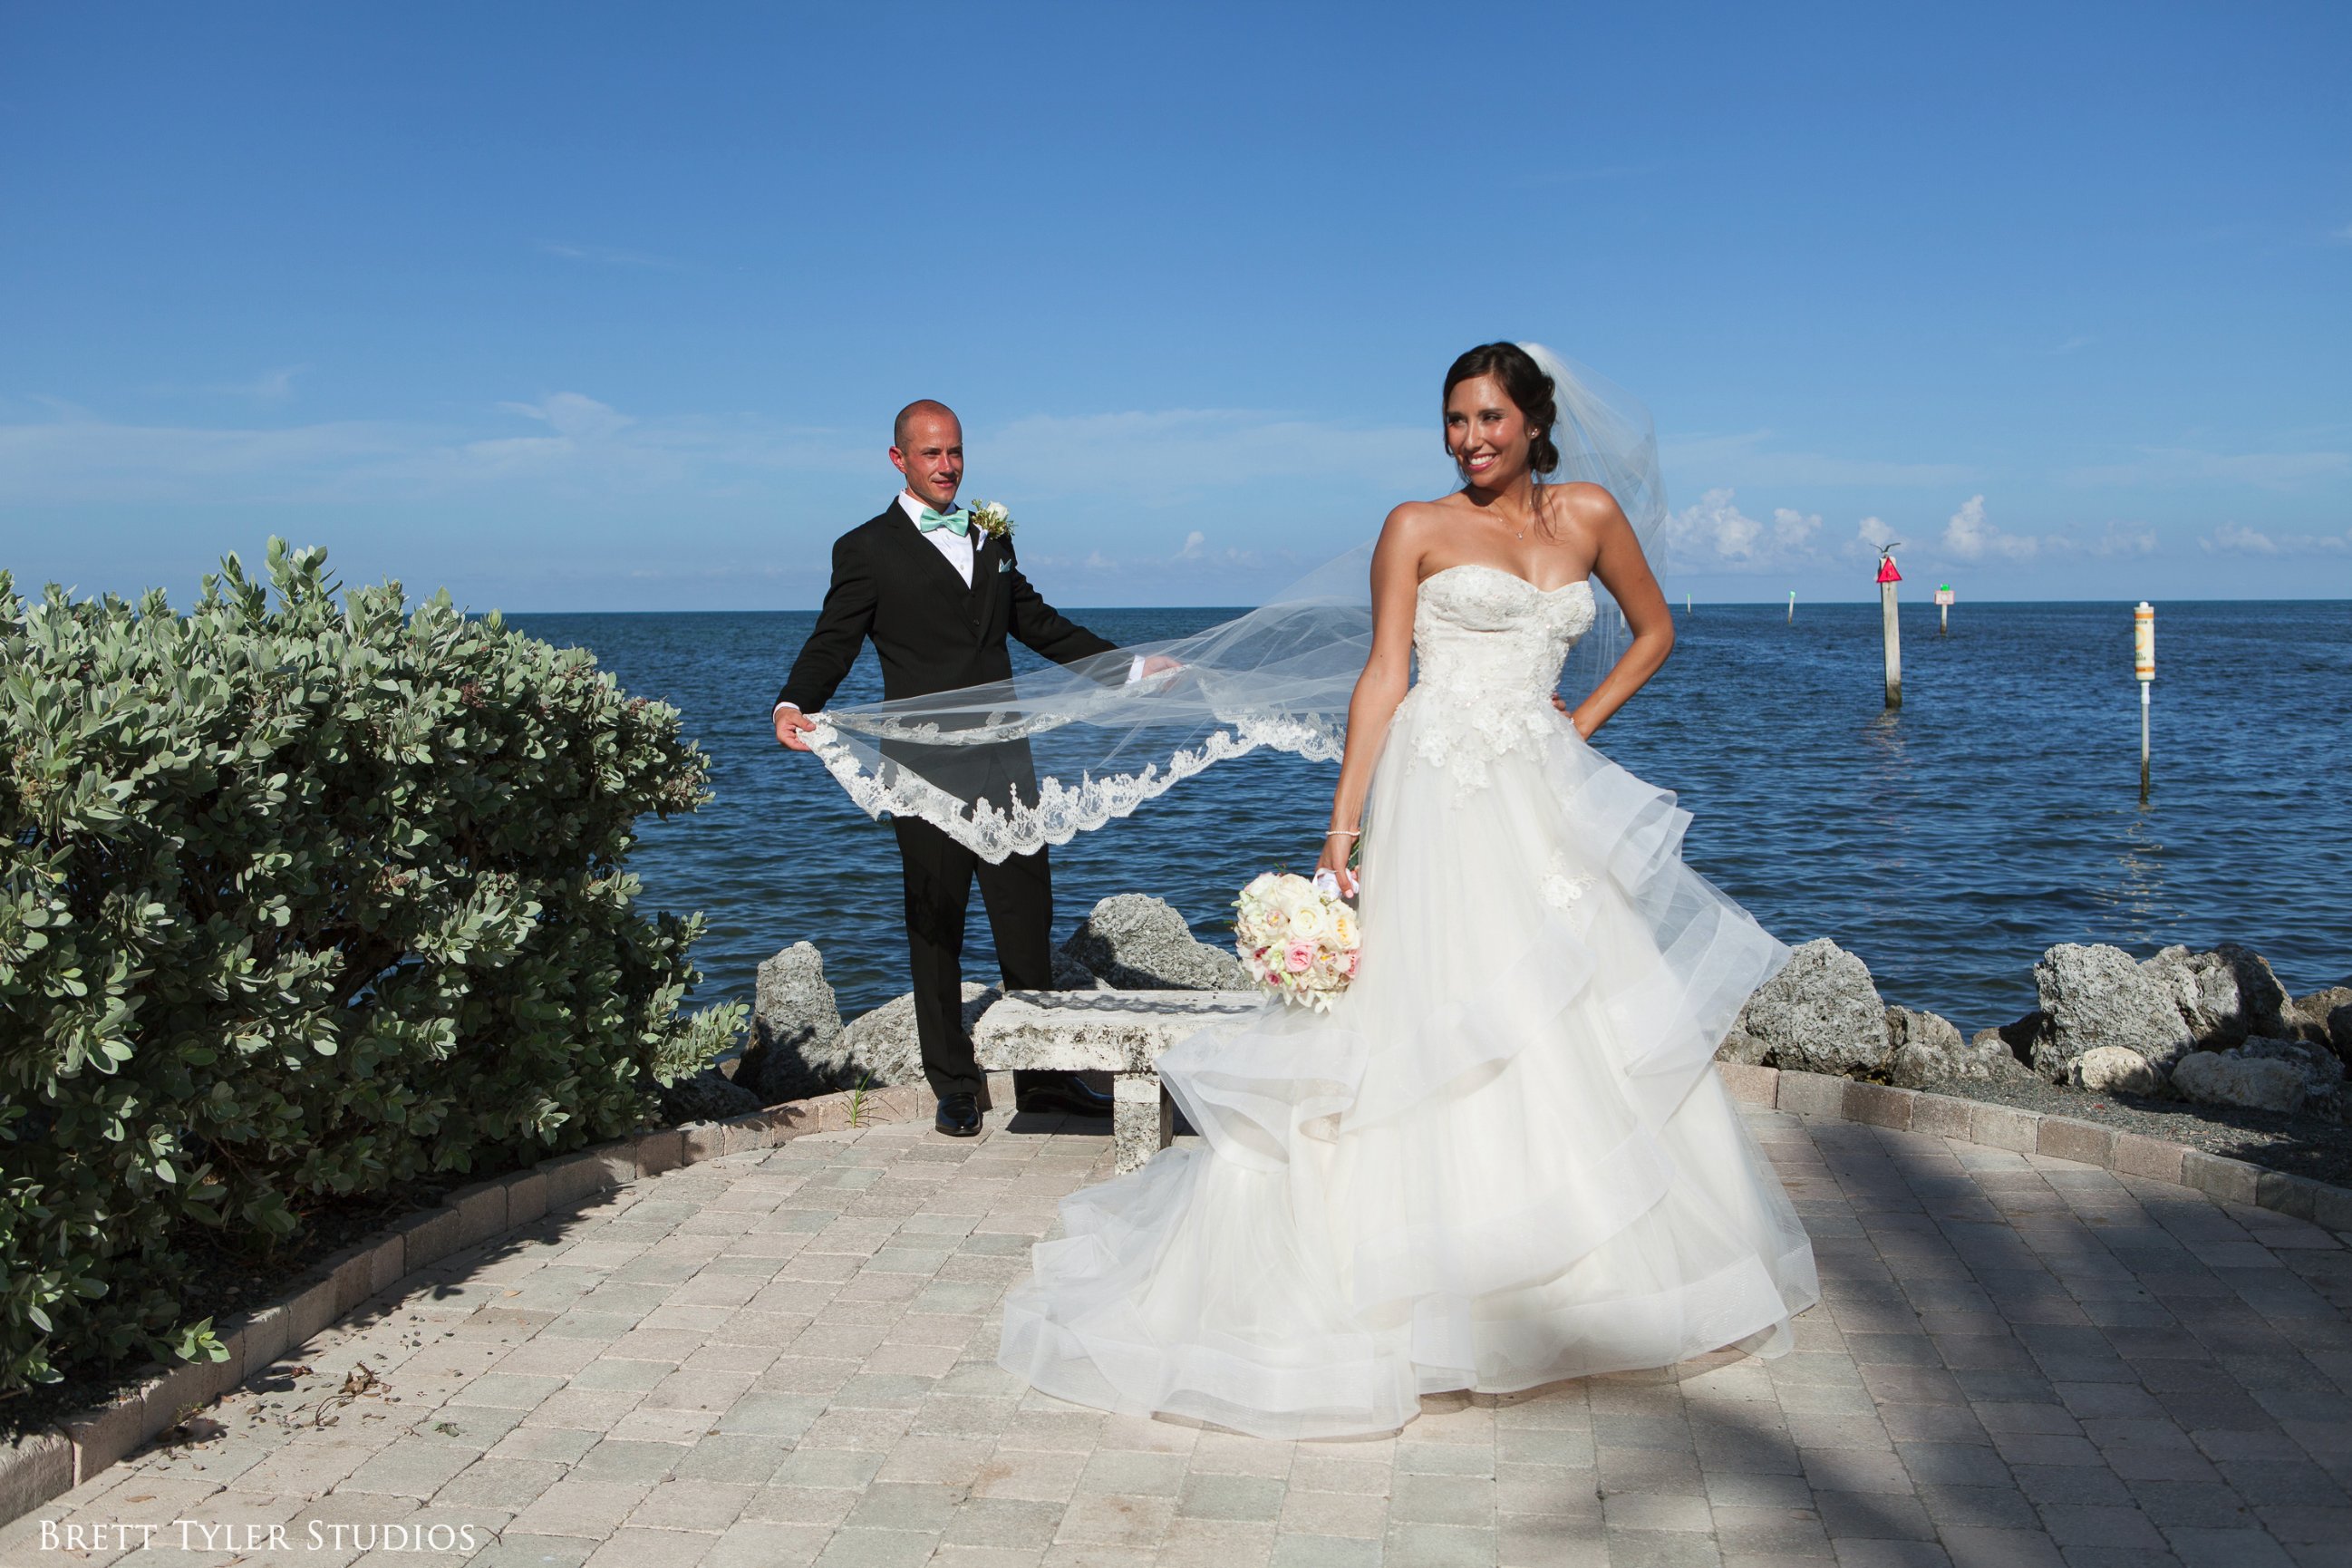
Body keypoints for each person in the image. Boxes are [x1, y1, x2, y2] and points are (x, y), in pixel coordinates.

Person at [990, 344, 1821, 1438]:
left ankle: (1582, 1285)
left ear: (1532, 420)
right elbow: (1383, 674)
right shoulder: (1415, 527)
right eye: (1453, 419)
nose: (1469, 438)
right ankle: (1421, 1285)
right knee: (1435, 1010)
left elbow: (1656, 630)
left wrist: (1576, 723)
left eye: (1488, 417)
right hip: (1438, 791)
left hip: (1542, 781)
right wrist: (1343, 822)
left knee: (1573, 1010)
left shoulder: (1589, 515)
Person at [774, 399, 1157, 1137]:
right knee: (935, 923)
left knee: (1025, 919)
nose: (946, 466)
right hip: (922, 766)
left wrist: (1130, 668)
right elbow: (835, 640)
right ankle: (953, 1084)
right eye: (930, 455)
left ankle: (1046, 1083)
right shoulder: (864, 548)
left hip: (1007, 756)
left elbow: (1038, 623)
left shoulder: (991, 537)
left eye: (954, 452)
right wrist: (796, 699)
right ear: (898, 460)